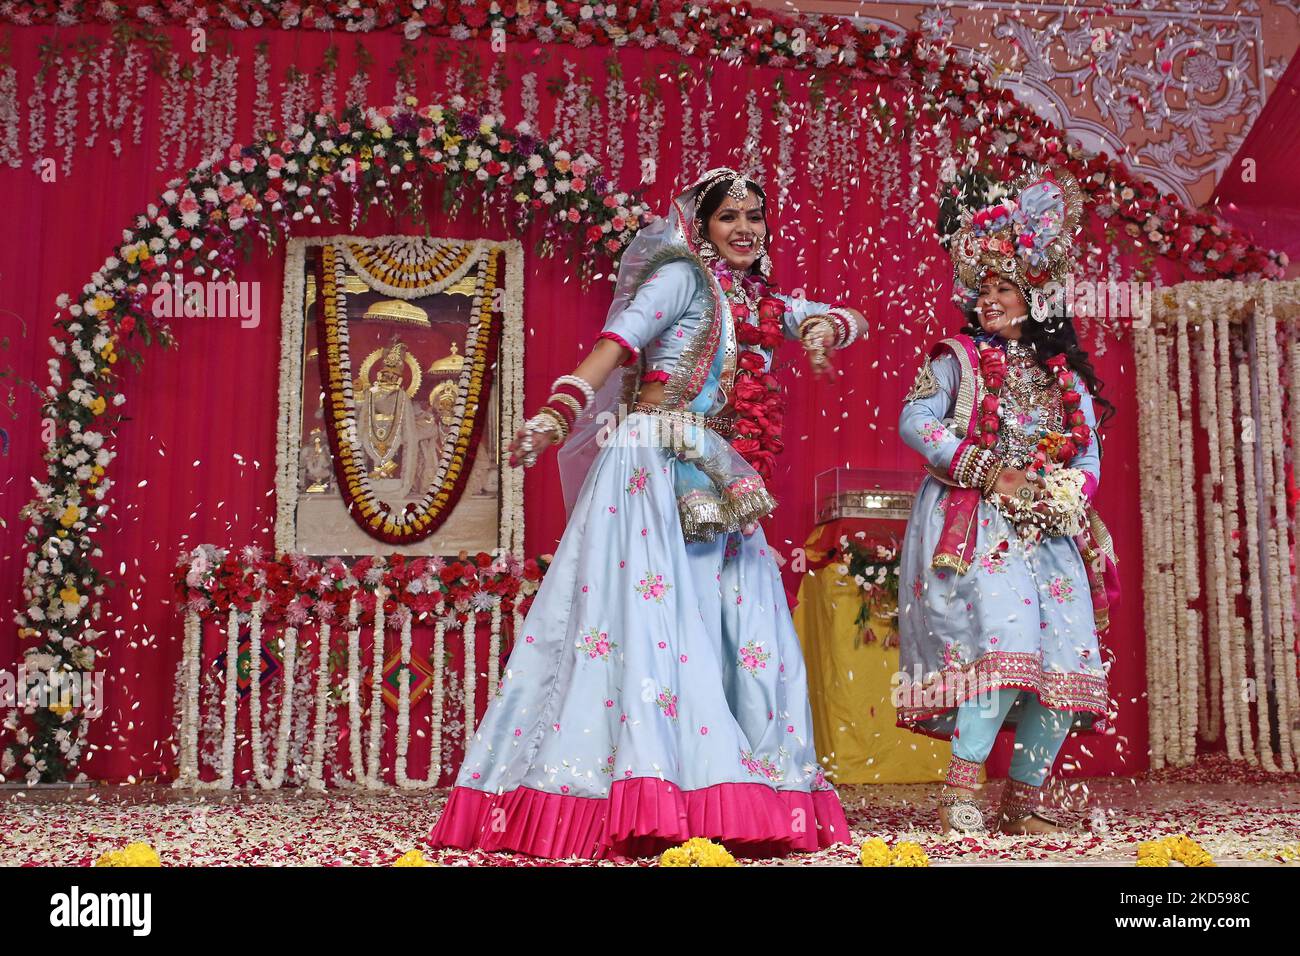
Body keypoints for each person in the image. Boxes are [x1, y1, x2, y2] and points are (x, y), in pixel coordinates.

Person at [428, 166, 866, 859]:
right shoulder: (681, 276)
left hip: (717, 471)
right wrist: (558, 410)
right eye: (730, 217)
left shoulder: (751, 295)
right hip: (655, 465)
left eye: (755, 216)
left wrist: (819, 331)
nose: (746, 229)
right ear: (701, 225)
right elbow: (620, 341)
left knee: (744, 623)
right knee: (659, 622)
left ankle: (738, 787)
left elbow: (845, 317)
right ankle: (653, 787)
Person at [894, 167, 1118, 835]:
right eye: (983, 288)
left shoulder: (1061, 377)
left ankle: (1024, 801)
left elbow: (1089, 460)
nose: (989, 299)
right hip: (977, 519)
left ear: (1036, 296)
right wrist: (989, 471)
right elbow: (916, 423)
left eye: (1005, 288)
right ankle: (961, 792)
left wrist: (1062, 495)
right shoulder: (956, 358)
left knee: (1063, 660)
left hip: (1047, 530)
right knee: (1005, 649)